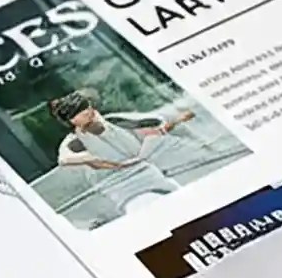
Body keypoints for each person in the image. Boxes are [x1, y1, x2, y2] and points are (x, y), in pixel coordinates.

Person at [46, 90, 194, 212]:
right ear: (72, 121)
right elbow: (64, 159)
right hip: (126, 190)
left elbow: (151, 121)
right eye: (83, 114)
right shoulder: (75, 141)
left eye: (90, 110)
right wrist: (88, 159)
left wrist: (176, 119)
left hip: (153, 176)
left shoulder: (114, 121)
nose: (90, 114)